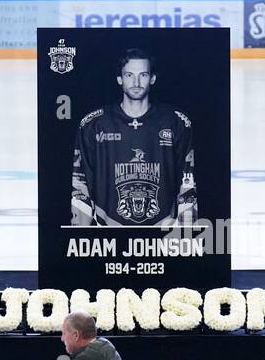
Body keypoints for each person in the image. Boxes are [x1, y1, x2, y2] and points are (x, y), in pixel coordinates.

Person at [69, 48, 197, 228]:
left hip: (163, 230)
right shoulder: (94, 124)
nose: (136, 82)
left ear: (152, 78)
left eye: (143, 75)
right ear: (119, 79)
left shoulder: (176, 122)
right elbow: (80, 181)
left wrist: (187, 231)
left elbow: (188, 179)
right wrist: (80, 232)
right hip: (108, 232)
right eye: (129, 75)